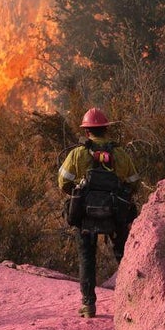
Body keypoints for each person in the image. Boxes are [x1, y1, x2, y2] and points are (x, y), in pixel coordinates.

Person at [58, 107, 141, 318]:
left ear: (87, 132)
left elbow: (63, 182)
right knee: (123, 255)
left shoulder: (77, 154)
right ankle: (132, 301)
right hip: (115, 216)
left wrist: (79, 193)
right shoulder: (120, 154)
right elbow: (134, 183)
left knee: (87, 257)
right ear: (106, 129)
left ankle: (88, 305)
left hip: (85, 217)